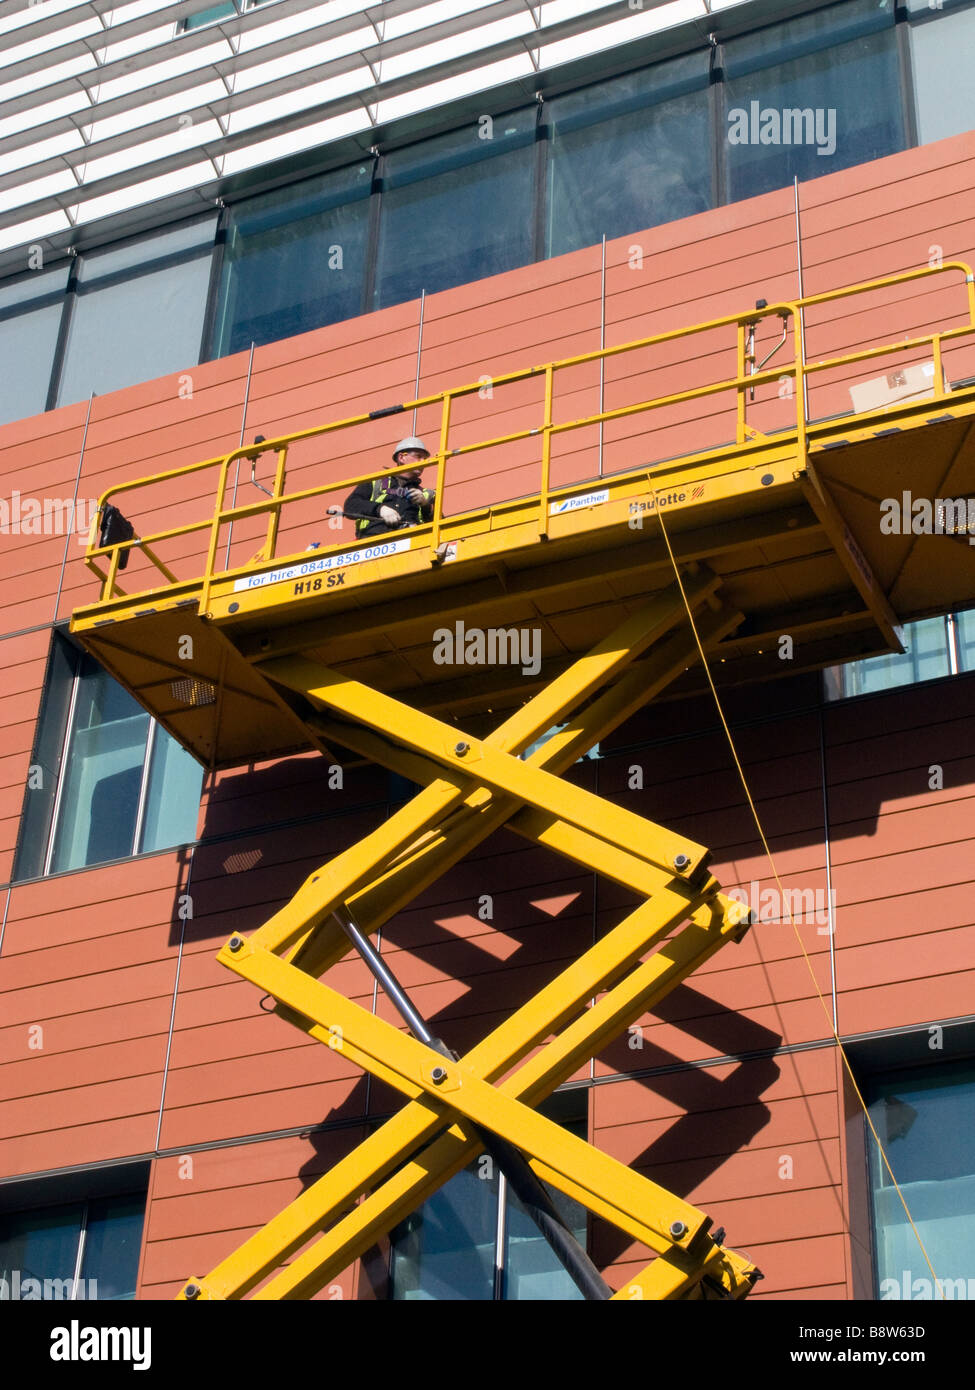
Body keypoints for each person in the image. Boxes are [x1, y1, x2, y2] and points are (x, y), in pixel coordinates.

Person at [343, 437, 436, 539]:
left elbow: (439, 526)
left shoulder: (425, 493)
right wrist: (380, 509)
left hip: (410, 542)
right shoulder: (376, 482)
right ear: (401, 458)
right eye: (418, 456)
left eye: (425, 458)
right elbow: (351, 505)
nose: (423, 461)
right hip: (373, 540)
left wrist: (426, 506)